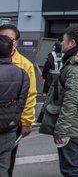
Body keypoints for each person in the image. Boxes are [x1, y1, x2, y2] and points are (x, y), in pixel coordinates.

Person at [38, 24, 78, 177]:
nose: (61, 42)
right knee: (70, 169)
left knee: (71, 170)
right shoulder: (74, 62)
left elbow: (72, 101)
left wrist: (62, 131)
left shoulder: (77, 67)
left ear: (72, 43)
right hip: (74, 124)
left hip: (71, 126)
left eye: (64, 39)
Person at [0, 23, 37, 176]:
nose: (4, 42)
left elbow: (30, 95)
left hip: (11, 123)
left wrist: (27, 122)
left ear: (16, 42)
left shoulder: (25, 65)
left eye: (8, 39)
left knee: (6, 163)